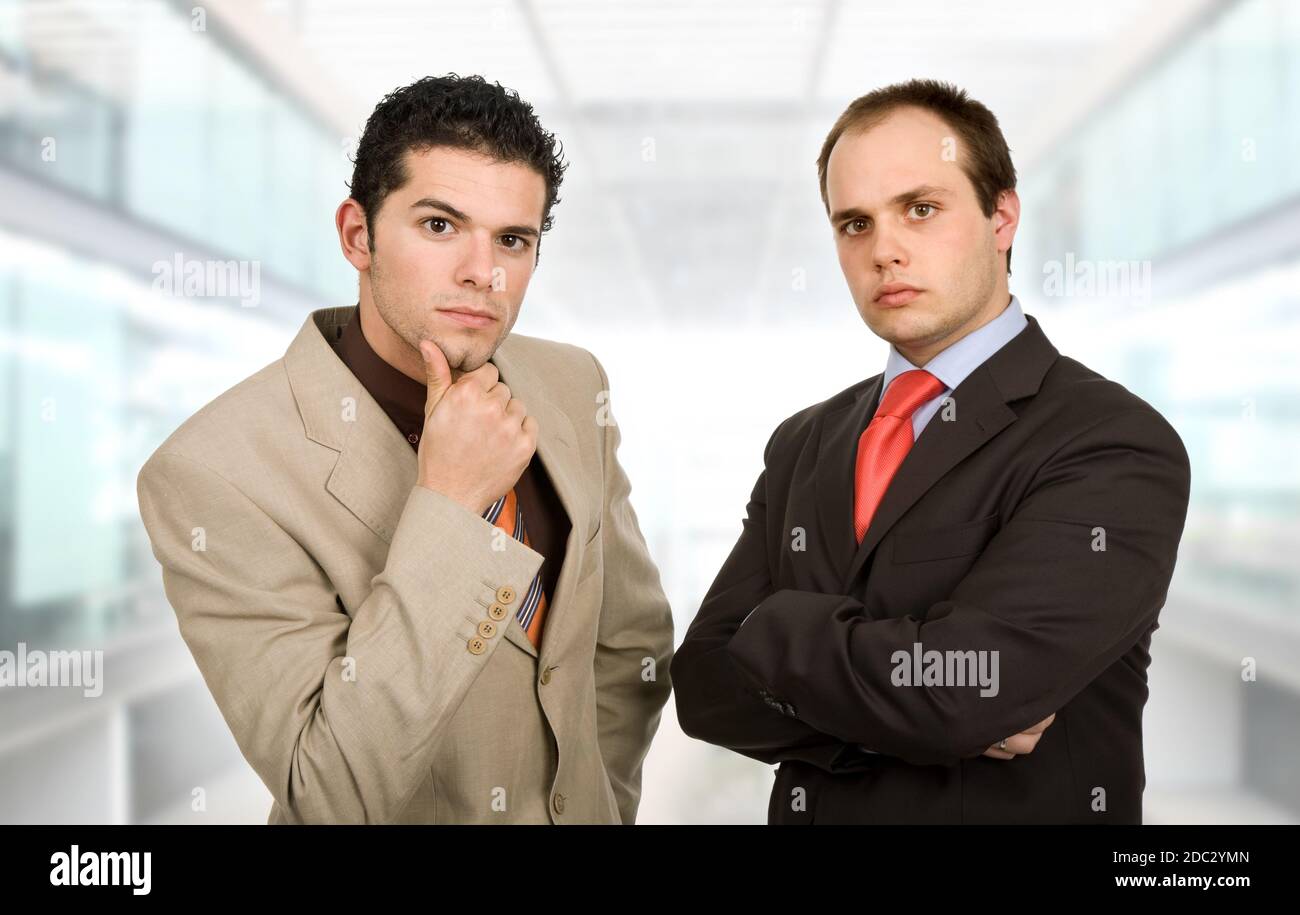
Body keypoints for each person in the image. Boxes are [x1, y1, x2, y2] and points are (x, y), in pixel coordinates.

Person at [137, 74, 674, 824]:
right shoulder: (212, 473)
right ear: (358, 235)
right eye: (440, 226)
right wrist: (450, 505)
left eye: (512, 241)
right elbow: (329, 792)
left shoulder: (571, 381)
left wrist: (598, 805)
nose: (482, 273)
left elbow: (630, 645)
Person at [672, 79, 1191, 824]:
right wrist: (920, 706)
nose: (884, 250)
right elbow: (705, 686)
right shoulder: (803, 441)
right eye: (854, 223)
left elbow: (967, 690)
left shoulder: (1111, 442)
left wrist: (771, 630)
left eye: (920, 209)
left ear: (1001, 216)